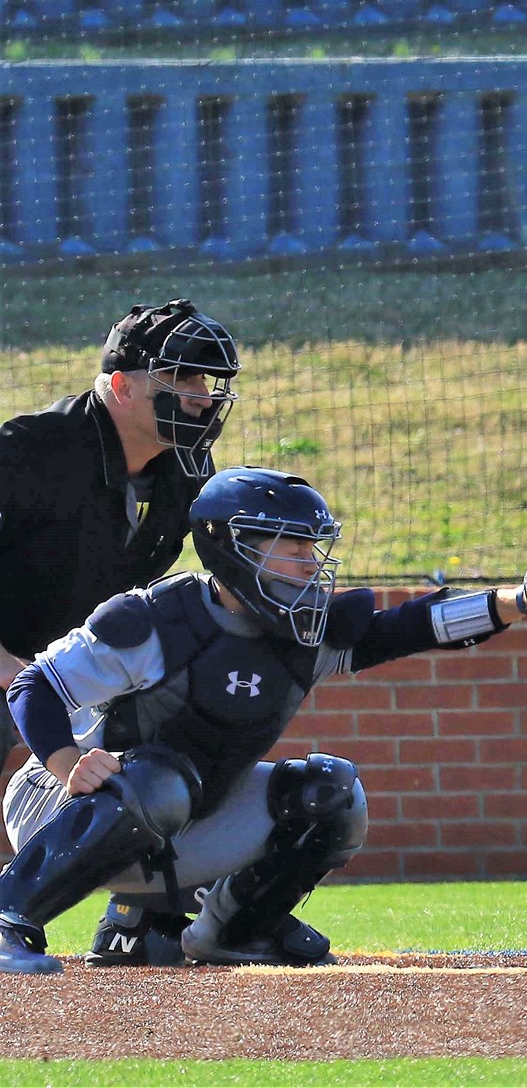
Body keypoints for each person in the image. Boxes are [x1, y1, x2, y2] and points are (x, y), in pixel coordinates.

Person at [0, 466, 527, 974]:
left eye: (312, 546)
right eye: (291, 546)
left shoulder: (306, 630)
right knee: (161, 780)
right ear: (233, 547)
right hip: (62, 804)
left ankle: (228, 931)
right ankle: (9, 917)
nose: (311, 562)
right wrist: (67, 762)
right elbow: (35, 686)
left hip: (184, 816)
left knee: (331, 794)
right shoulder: (154, 620)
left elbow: (411, 626)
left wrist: (520, 600)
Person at [0, 299, 240, 961]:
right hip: (11, 654)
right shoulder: (31, 451)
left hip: (68, 661)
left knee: (182, 717)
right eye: (180, 378)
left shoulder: (190, 469)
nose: (200, 396)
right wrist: (10, 666)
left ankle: (144, 914)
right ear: (120, 385)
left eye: (205, 380)